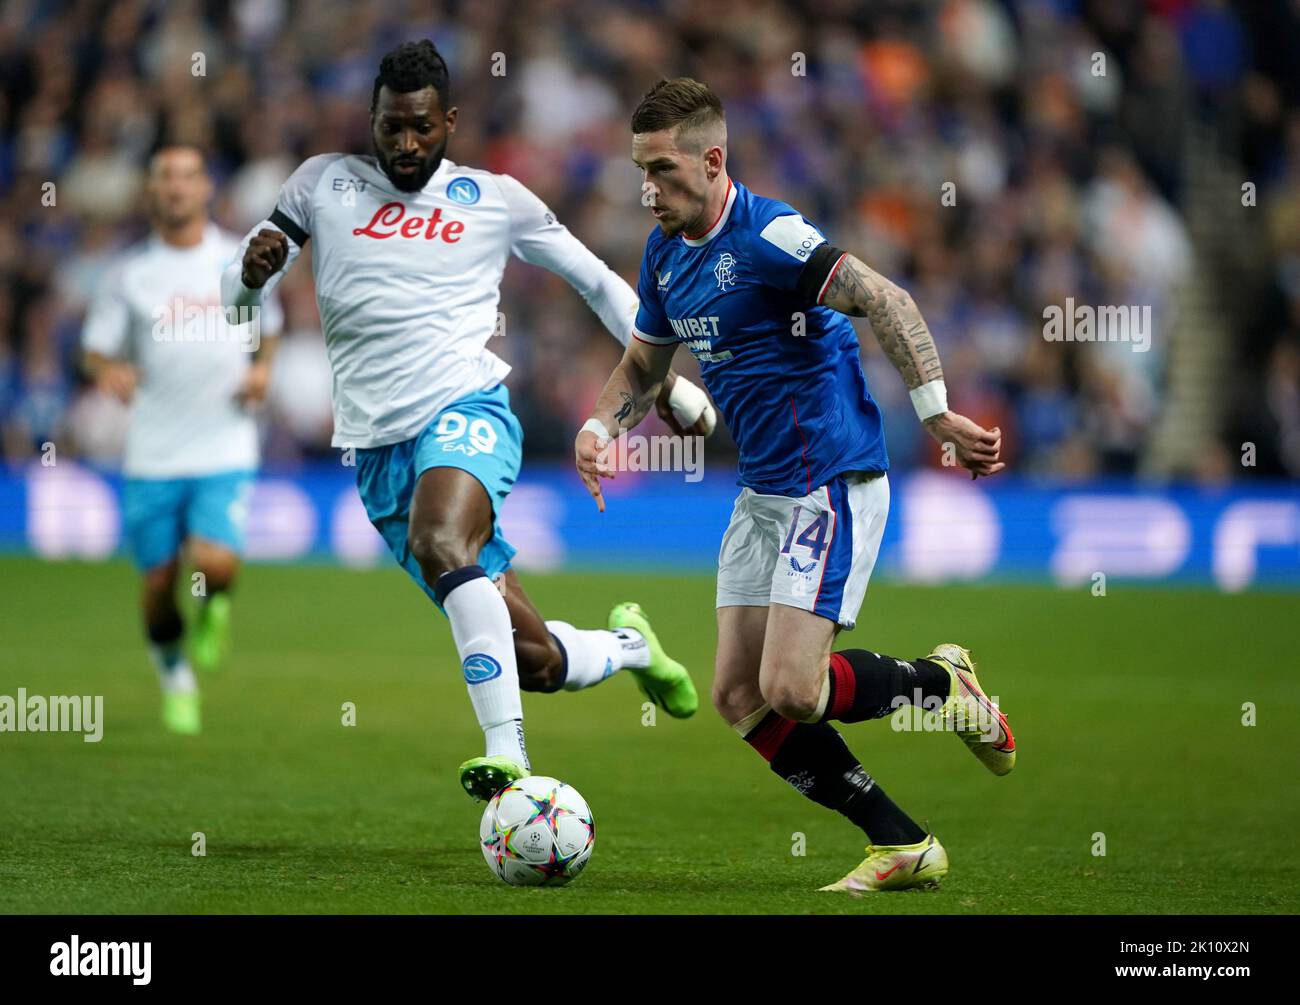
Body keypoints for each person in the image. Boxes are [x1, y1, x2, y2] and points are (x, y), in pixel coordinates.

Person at [222, 41, 715, 801]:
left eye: (421, 127)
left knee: (440, 538)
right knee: (536, 660)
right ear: (373, 119)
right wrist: (246, 279)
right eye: (391, 127)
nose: (406, 144)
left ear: (448, 120)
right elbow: (239, 298)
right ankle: (629, 647)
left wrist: (668, 385)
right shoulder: (322, 184)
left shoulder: (495, 199)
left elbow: (597, 281)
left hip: (466, 409)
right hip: (377, 452)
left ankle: (508, 755)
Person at [576, 78, 1017, 892]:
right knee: (740, 695)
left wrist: (936, 411)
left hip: (831, 478)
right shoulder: (665, 253)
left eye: (664, 171)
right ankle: (903, 842)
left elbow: (884, 297)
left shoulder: (771, 234)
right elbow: (645, 362)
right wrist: (603, 427)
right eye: (640, 170)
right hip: (764, 489)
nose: (648, 190)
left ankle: (940, 684)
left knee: (792, 687)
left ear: (713, 160)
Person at [83, 145, 282, 735]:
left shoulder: (235, 258)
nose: (176, 187)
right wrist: (106, 370)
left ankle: (215, 605)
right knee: (156, 586)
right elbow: (95, 347)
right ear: (151, 192)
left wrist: (262, 370)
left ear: (205, 190)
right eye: (165, 177)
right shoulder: (128, 274)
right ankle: (174, 673)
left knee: (216, 564)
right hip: (152, 451)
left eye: (188, 176)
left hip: (224, 442)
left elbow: (266, 330)